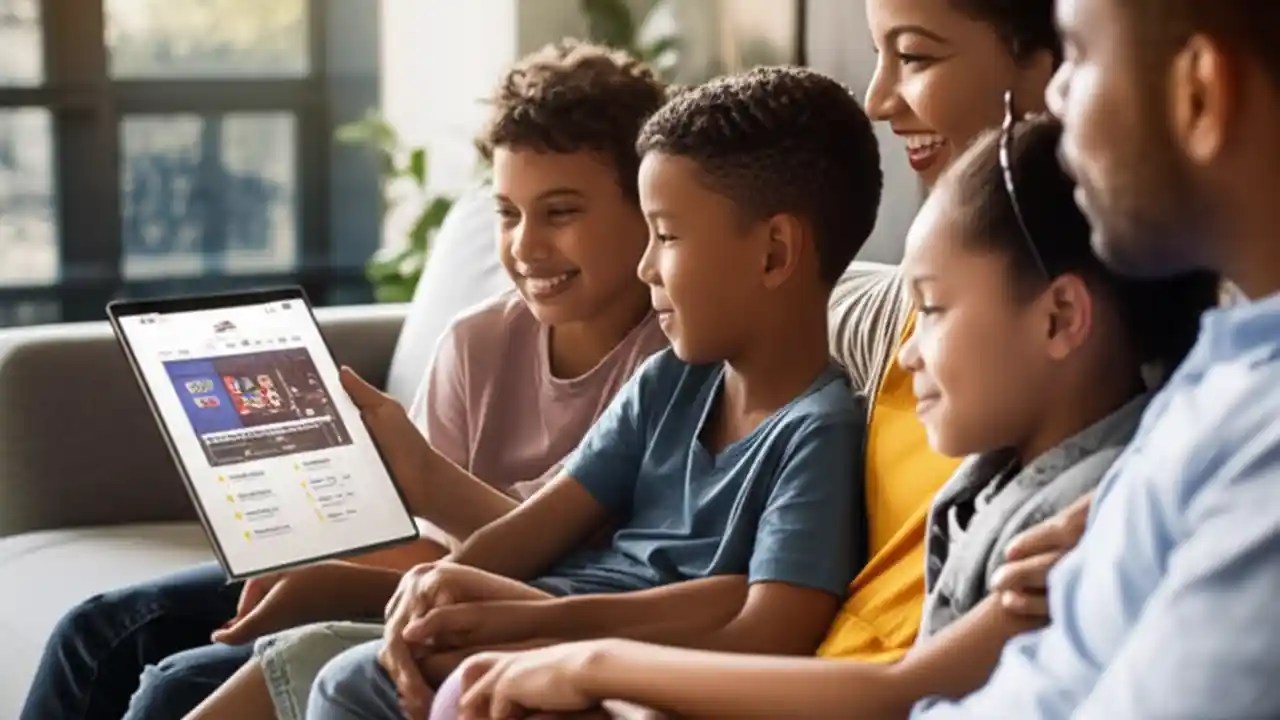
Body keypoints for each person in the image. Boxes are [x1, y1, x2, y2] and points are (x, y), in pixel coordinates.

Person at [435, 115, 1218, 720]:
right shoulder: (993, 480)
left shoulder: (1087, 517)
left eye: (933, 311)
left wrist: (590, 662)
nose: (906, 356)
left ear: (1060, 318)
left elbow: (896, 695)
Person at [20, 40, 669, 720]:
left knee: (177, 686)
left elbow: (583, 577)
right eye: (507, 213)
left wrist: (419, 487)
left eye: (561, 212)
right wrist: (319, 559)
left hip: (492, 615)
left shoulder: (672, 372)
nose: (526, 246)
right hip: (419, 583)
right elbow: (427, 541)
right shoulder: (478, 341)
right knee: (97, 631)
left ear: (649, 210)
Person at [304, 66, 883, 720]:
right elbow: (529, 536)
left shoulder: (819, 432)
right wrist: (434, 586)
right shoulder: (668, 383)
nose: (645, 266)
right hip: (559, 630)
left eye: (666, 236)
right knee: (356, 674)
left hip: (609, 669)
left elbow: (770, 636)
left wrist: (544, 635)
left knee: (353, 684)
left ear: (774, 253)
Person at [912, 0, 1280, 716]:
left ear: (1198, 93)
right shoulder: (1217, 383)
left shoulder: (1259, 458)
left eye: (1077, 54)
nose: (1052, 97)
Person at [820, 0, 1068, 663]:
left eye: (915, 56)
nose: (876, 101)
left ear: (1054, 63)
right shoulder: (899, 315)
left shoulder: (1137, 351)